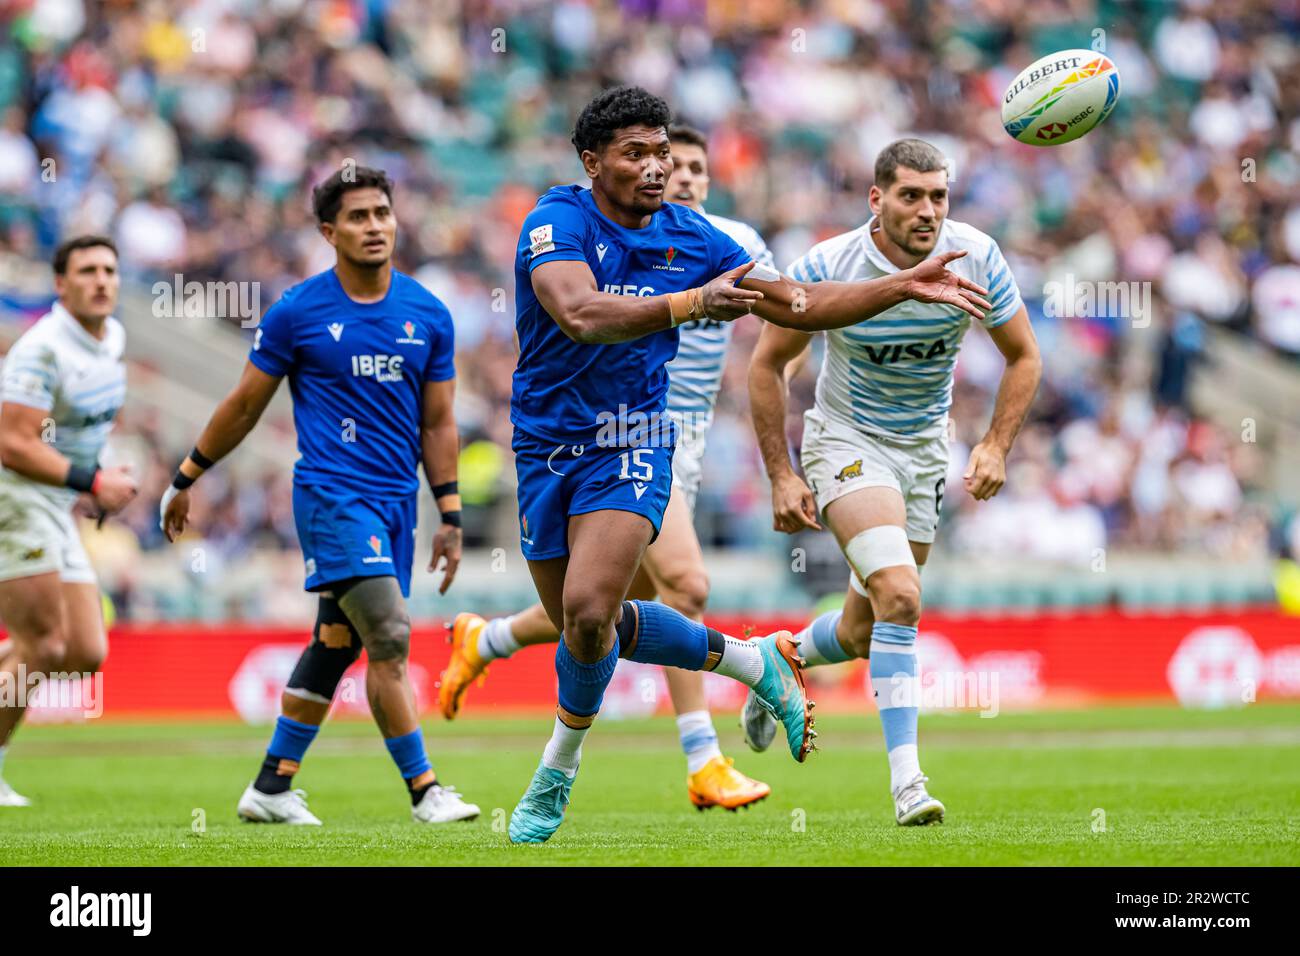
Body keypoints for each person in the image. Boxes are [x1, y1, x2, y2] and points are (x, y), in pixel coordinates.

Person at [504, 87, 993, 844]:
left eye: (662, 151)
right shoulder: (556, 221)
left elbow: (796, 303)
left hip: (633, 438)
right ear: (592, 161)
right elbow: (579, 313)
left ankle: (556, 769)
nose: (656, 167)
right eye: (636, 153)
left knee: (595, 609)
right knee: (582, 627)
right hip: (543, 445)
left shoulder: (693, 235)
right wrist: (690, 304)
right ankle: (753, 662)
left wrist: (898, 285)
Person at [439, 124, 781, 813]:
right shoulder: (593, 230)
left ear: (709, 183)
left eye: (689, 167)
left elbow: (784, 327)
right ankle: (739, 686)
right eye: (661, 162)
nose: (675, 176)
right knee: (601, 609)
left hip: (665, 439)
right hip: (592, 437)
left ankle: (699, 757)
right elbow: (581, 311)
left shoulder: (727, 245)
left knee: (646, 595)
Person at [159, 167, 479, 826]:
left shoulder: (428, 313)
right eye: (358, 217)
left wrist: (448, 511)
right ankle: (426, 792)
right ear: (329, 231)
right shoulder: (297, 312)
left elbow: (439, 423)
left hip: (397, 504)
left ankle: (270, 787)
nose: (374, 227)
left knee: (336, 643)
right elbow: (245, 404)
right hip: (333, 497)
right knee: (389, 636)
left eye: (382, 213)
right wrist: (187, 475)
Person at [745, 138, 1042, 825]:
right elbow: (767, 366)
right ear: (876, 200)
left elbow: (1024, 357)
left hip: (925, 452)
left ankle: (774, 661)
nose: (928, 211)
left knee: (860, 630)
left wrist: (997, 444)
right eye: (911, 195)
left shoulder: (977, 256)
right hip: (846, 442)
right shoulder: (828, 264)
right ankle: (909, 783)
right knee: (902, 597)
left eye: (939, 196)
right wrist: (782, 474)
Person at [0, 236, 135, 806]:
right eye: (86, 271)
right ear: (60, 284)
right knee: (43, 645)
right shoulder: (42, 349)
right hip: (15, 498)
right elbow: (10, 442)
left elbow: (80, 432)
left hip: (56, 502)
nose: (101, 280)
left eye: (109, 269)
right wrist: (92, 481)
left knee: (84, 650)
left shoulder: (113, 338)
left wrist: (93, 480)